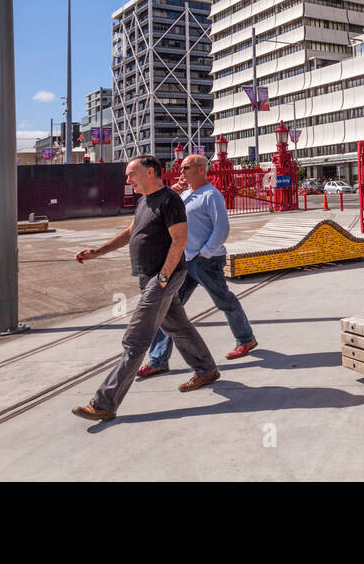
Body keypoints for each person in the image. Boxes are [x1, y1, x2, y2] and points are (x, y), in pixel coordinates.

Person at [71, 155, 220, 422]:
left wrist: (163, 278)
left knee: (136, 339)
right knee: (177, 326)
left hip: (162, 278)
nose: (127, 180)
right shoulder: (144, 202)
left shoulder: (169, 201)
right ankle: (205, 369)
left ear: (150, 172)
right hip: (151, 277)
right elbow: (131, 232)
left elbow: (180, 240)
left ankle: (104, 402)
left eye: (132, 174)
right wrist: (98, 251)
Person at [137, 153, 257, 378]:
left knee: (224, 301)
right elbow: (164, 212)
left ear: (201, 169)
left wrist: (204, 253)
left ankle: (246, 339)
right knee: (168, 310)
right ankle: (158, 359)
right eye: (180, 168)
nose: (181, 171)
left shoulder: (211, 195)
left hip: (205, 261)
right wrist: (172, 191)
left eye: (185, 168)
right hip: (185, 260)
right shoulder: (184, 195)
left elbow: (221, 229)